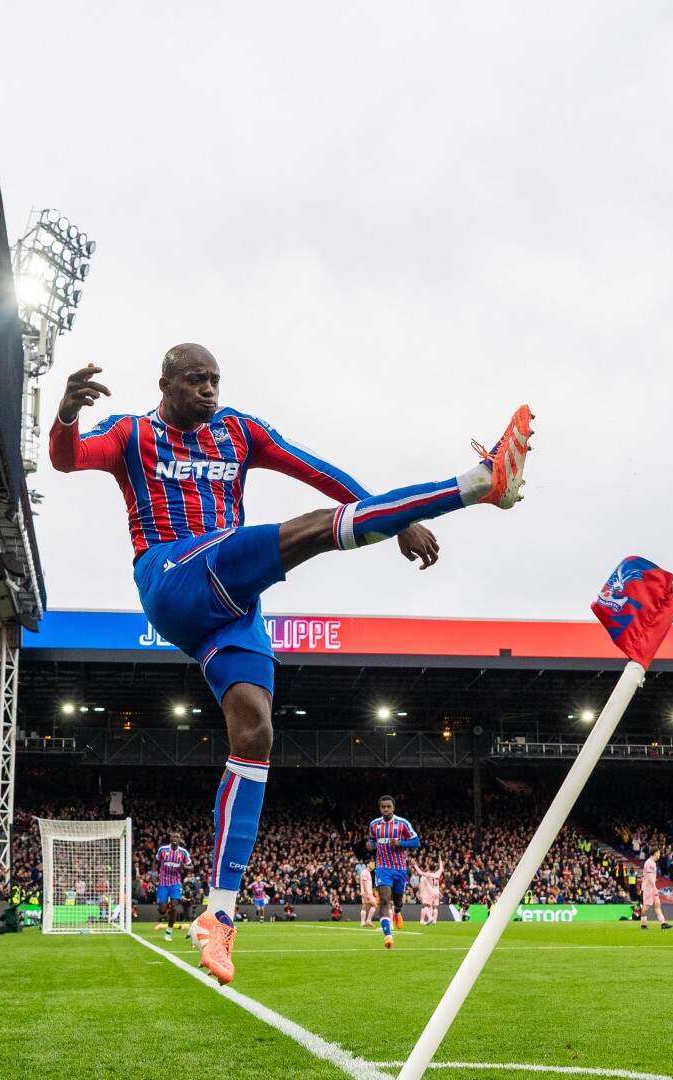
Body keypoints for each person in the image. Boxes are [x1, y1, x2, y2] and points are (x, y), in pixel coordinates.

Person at [49, 347, 533, 984]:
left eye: (216, 380)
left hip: (233, 605)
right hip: (173, 575)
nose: (210, 391)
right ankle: (476, 483)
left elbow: (318, 470)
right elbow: (67, 459)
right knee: (306, 533)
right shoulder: (131, 434)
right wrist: (63, 415)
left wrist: (391, 517)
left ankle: (217, 919)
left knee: (256, 733)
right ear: (165, 383)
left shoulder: (240, 431)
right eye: (196, 381)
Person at [368, 795, 420, 948]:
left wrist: (400, 842)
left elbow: (416, 842)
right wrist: (370, 845)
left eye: (388, 806)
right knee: (384, 900)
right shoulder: (374, 825)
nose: (385, 809)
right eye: (383, 807)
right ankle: (388, 936)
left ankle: (397, 912)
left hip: (399, 868)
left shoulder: (402, 824)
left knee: (398, 900)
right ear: (380, 808)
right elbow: (372, 840)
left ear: (393, 808)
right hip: (382, 867)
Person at [154, 835, 191, 941]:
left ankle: (168, 933)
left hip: (176, 883)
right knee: (162, 911)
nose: (175, 838)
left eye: (177, 837)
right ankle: (165, 906)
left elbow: (191, 866)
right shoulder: (163, 850)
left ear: (180, 840)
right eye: (173, 837)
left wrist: (185, 867)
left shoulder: (183, 853)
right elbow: (156, 861)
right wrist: (153, 873)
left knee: (174, 907)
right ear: (170, 839)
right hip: (163, 883)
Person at [638, 849, 672, 929]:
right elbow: (649, 877)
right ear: (655, 853)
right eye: (659, 852)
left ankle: (663, 924)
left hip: (652, 887)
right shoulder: (649, 863)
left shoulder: (652, 863)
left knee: (657, 904)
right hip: (648, 887)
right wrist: (655, 888)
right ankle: (643, 925)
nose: (659, 854)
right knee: (646, 905)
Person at [417, 859, 444, 926]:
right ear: (435, 869)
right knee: (434, 907)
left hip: (429, 892)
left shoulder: (427, 876)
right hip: (436, 892)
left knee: (425, 905)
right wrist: (440, 861)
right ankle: (434, 921)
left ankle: (428, 918)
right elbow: (441, 868)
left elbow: (420, 873)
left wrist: (415, 865)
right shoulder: (437, 874)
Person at [355, 862, 376, 928]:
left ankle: (362, 923)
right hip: (367, 893)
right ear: (367, 864)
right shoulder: (365, 872)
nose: (372, 865)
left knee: (364, 907)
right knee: (375, 905)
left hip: (366, 892)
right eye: (371, 864)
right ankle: (368, 920)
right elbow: (364, 882)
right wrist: (367, 893)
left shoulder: (367, 872)